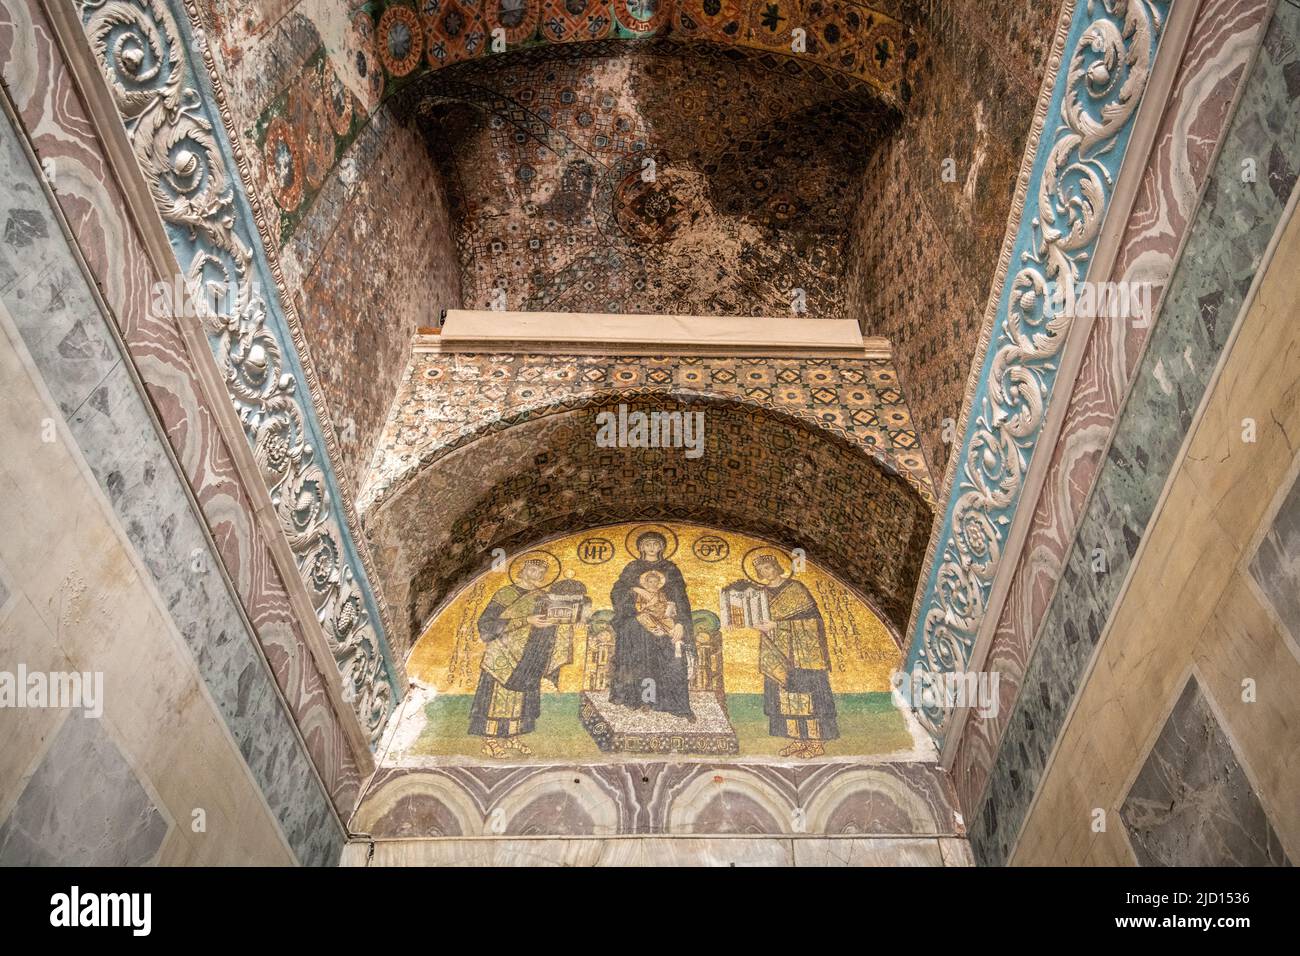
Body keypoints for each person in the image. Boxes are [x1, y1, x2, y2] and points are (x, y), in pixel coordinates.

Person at [468, 558, 576, 758]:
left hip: (530, 655)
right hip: (504, 654)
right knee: (497, 697)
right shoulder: (505, 593)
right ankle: (490, 740)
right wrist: (526, 620)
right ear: (522, 569)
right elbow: (487, 624)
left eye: (540, 571)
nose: (536, 574)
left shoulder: (543, 597)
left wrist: (561, 624)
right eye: (533, 568)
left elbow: (551, 622)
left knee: (522, 697)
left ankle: (512, 736)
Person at [752, 554, 838, 757]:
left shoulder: (795, 589)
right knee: (785, 696)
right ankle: (798, 740)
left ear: (777, 567)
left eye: (769, 567)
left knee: (808, 695)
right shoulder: (761, 594)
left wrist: (778, 625)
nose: (766, 572)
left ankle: (816, 742)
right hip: (776, 651)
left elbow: (814, 622)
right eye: (762, 569)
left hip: (803, 654)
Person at [609, 532, 694, 718]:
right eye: (648, 544)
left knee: (672, 659)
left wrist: (680, 624)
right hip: (637, 624)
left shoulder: (670, 568)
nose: (652, 547)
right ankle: (639, 700)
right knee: (640, 658)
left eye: (656, 544)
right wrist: (636, 589)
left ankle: (672, 704)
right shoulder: (633, 567)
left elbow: (680, 597)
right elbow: (618, 592)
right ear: (641, 547)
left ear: (661, 547)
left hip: (666, 623)